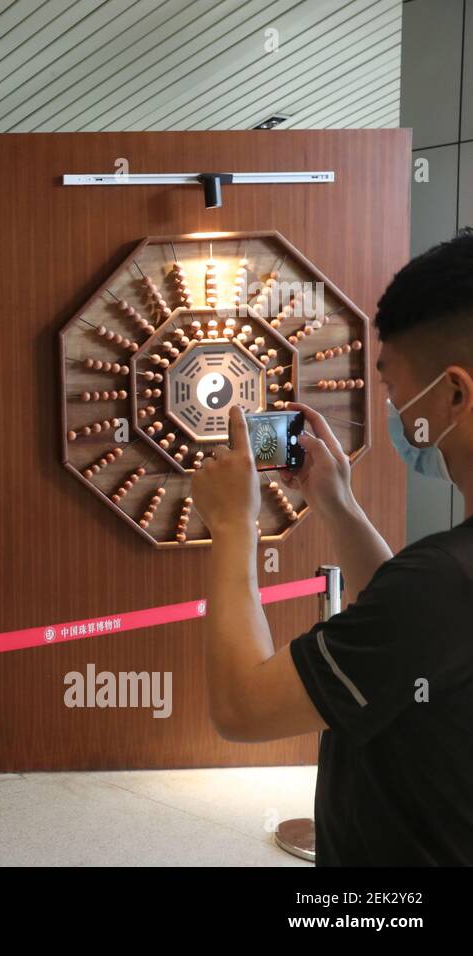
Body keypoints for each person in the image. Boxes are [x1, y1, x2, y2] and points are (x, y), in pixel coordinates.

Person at [190, 229, 473, 866]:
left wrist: (234, 528)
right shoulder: (441, 581)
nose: (397, 411)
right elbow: (410, 633)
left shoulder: (444, 582)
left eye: (396, 388)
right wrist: (336, 501)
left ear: (455, 393)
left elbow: (241, 706)